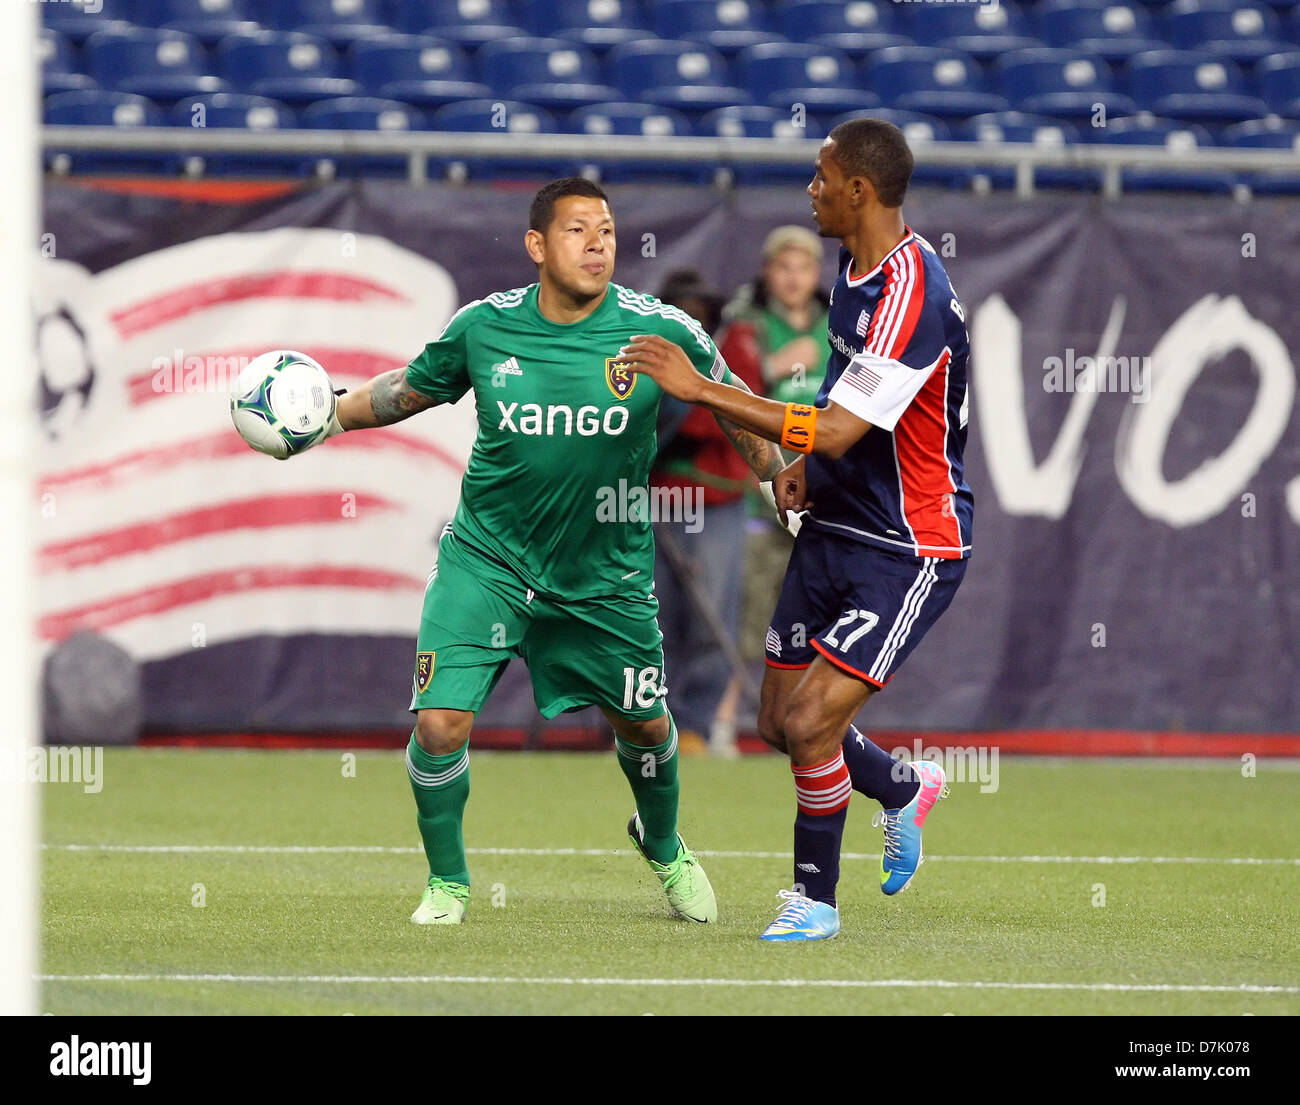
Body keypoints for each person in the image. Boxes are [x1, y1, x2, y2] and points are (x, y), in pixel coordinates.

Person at [270, 178, 785, 926]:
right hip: (489, 560)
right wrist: (323, 422)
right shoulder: (484, 327)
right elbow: (406, 390)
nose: (598, 243)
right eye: (578, 230)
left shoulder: (659, 331)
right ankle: (447, 883)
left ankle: (664, 842)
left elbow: (737, 407)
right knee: (439, 723)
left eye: (607, 229)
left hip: (603, 576)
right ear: (537, 246)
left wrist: (783, 485)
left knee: (644, 724)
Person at [616, 118, 974, 941]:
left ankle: (816, 898)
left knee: (812, 722)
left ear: (859, 189)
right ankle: (901, 786)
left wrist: (703, 386)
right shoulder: (854, 269)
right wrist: (806, 468)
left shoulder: (914, 289)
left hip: (908, 545)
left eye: (821, 176)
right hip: (836, 522)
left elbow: (843, 426)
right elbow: (855, 403)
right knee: (778, 720)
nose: (810, 188)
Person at [650, 269, 762, 758]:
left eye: (699, 307)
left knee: (713, 615)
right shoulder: (650, 350)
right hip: (656, 499)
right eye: (681, 306)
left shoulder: (734, 345)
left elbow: (737, 412)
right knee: (653, 616)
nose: (692, 314)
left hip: (716, 503)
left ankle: (694, 724)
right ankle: (648, 725)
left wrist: (690, 403)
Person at [719, 228, 833, 666]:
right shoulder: (748, 326)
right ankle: (722, 721)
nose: (793, 278)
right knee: (746, 615)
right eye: (783, 267)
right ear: (767, 272)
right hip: (761, 495)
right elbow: (724, 397)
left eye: (803, 268)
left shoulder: (839, 325)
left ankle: (808, 726)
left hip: (825, 493)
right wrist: (767, 367)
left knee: (821, 619)